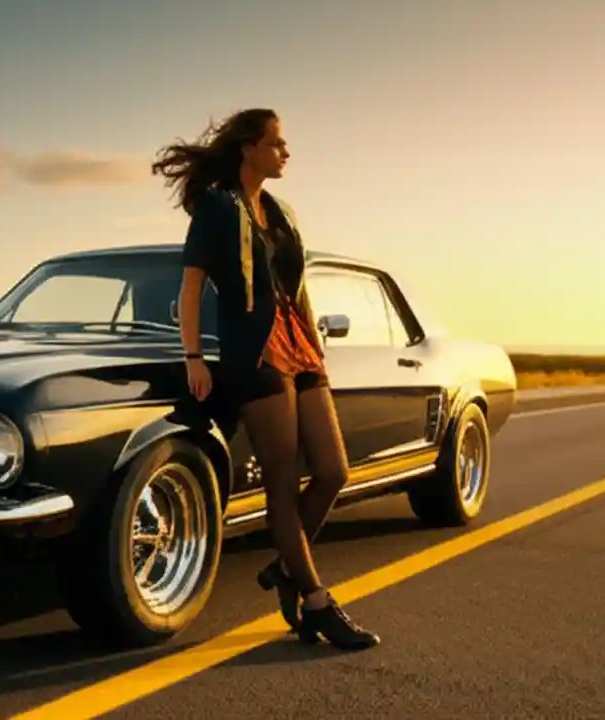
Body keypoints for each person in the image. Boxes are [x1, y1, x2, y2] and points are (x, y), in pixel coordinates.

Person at [151, 108, 380, 650]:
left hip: (299, 346)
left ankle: (284, 569)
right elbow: (190, 290)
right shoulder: (215, 207)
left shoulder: (280, 211)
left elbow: (296, 285)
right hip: (253, 354)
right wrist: (193, 357)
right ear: (248, 148)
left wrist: (317, 352)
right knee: (281, 479)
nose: (286, 152)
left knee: (332, 471)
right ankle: (317, 600)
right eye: (277, 143)